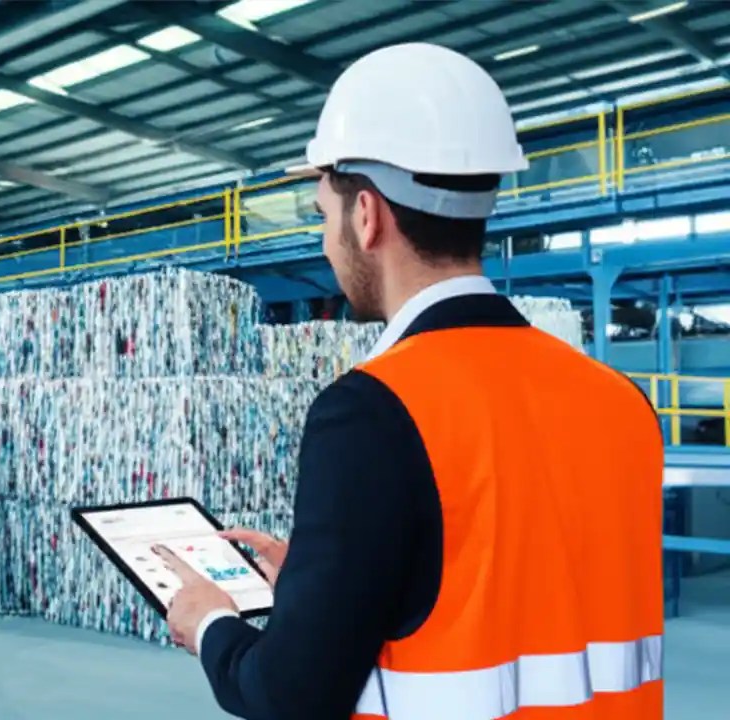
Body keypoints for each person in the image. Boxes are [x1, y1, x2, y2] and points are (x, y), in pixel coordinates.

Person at [153, 43, 664, 720]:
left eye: (322, 216)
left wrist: (210, 623)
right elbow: (520, 585)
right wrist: (321, 588)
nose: (326, 241)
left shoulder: (371, 413)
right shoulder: (620, 402)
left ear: (366, 216)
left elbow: (289, 695)